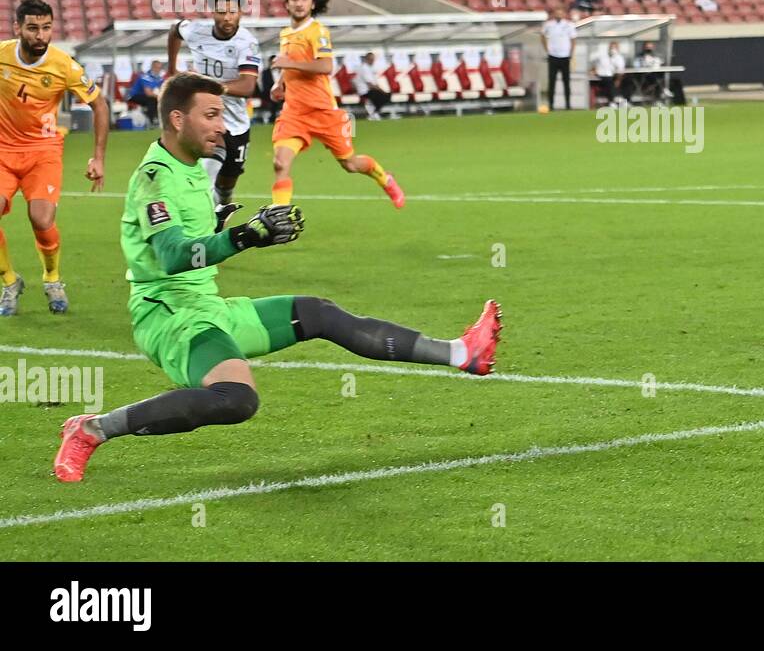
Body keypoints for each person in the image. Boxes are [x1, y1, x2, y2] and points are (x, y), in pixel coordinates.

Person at [51, 73, 503, 482]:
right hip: (170, 316)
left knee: (317, 313)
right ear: (176, 118)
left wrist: (219, 225)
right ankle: (91, 429)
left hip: (206, 306)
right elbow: (170, 256)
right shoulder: (155, 176)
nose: (222, 126)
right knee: (236, 399)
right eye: (210, 115)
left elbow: (187, 239)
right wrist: (242, 237)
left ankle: (463, 352)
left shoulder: (190, 167)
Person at [0, 0, 110, 317]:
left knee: (41, 219)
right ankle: (9, 280)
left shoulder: (64, 66)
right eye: (33, 28)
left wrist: (98, 157)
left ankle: (52, 278)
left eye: (46, 28)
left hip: (43, 153)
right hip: (3, 152)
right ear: (17, 27)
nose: (41, 35)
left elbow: (99, 105)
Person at [268, 0, 405, 208]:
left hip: (323, 111)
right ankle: (279, 215)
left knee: (350, 164)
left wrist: (288, 65)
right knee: (280, 164)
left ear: (312, 5)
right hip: (294, 112)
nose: (299, 3)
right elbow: (291, 62)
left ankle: (385, 178)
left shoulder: (317, 31)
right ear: (287, 4)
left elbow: (325, 66)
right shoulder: (286, 34)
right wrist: (280, 83)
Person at [167, 0, 262, 226]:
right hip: (205, 118)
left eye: (232, 12)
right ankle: (200, 230)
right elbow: (174, 30)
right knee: (204, 176)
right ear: (212, 12)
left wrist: (212, 86)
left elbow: (248, 86)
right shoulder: (196, 31)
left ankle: (220, 210)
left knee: (227, 183)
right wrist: (171, 68)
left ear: (241, 12)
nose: (227, 18)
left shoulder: (247, 43)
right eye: (221, 12)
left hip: (236, 123)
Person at [542, 8, 576, 110]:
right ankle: (551, 105)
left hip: (565, 56)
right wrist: (547, 49)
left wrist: (571, 53)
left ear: (564, 14)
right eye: (557, 12)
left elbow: (573, 39)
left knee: (566, 81)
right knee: (551, 81)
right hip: (553, 56)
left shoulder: (569, 25)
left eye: (560, 12)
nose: (559, 14)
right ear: (554, 14)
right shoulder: (549, 24)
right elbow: (542, 36)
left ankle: (568, 104)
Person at [126, 60, 166, 126]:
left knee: (157, 100)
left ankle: (156, 119)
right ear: (152, 67)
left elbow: (162, 89)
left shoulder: (159, 78)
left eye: (159, 68)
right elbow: (148, 93)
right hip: (134, 96)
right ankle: (151, 121)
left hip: (148, 96)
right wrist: (161, 97)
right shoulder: (146, 77)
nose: (158, 70)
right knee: (151, 100)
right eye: (156, 67)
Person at [352, 51, 390, 119]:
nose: (372, 61)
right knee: (384, 96)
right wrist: (382, 91)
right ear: (367, 59)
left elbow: (373, 82)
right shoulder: (364, 68)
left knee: (385, 96)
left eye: (373, 59)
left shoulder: (369, 68)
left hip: (369, 90)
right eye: (371, 59)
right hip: (365, 91)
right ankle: (374, 113)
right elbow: (370, 84)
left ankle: (374, 112)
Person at [590, 41, 626, 106]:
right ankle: (614, 100)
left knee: (626, 81)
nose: (612, 49)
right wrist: (593, 69)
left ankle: (616, 100)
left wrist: (618, 80)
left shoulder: (619, 58)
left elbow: (621, 70)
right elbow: (593, 63)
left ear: (618, 48)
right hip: (600, 76)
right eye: (611, 47)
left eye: (614, 47)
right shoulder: (602, 55)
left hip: (612, 76)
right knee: (609, 81)